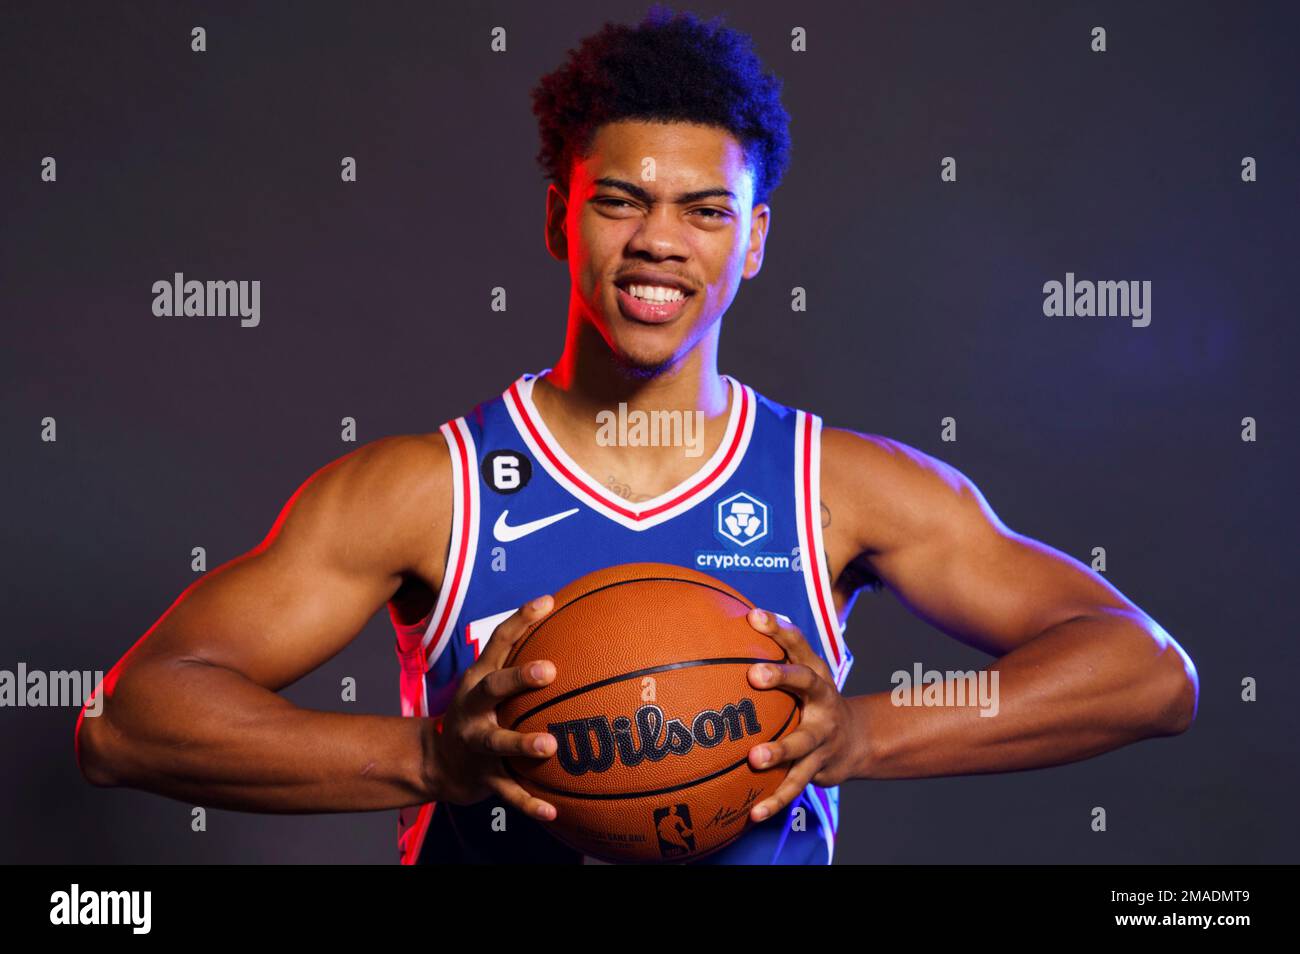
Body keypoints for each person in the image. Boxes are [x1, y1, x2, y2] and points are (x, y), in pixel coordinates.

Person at [75, 7, 1198, 864]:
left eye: (705, 210)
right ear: (560, 218)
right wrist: (425, 757)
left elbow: (1146, 674)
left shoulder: (842, 490)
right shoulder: (428, 489)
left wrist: (859, 736)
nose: (661, 241)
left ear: (753, 240)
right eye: (620, 201)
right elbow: (125, 724)